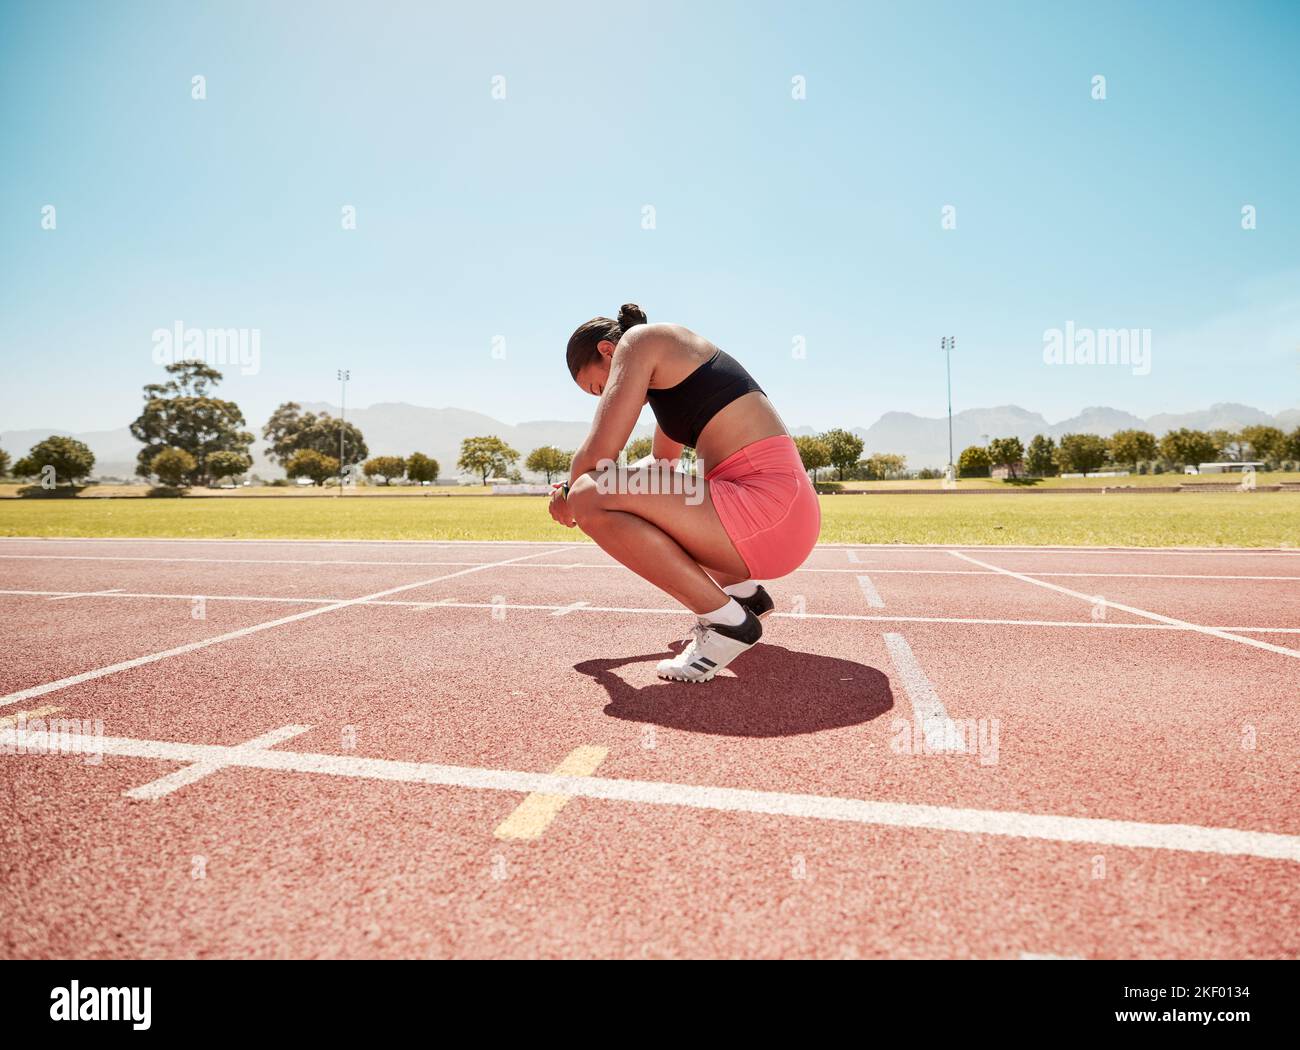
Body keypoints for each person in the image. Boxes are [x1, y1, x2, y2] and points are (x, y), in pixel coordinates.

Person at [551, 303, 821, 682]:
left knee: (587, 493)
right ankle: (744, 597)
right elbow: (661, 467)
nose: (605, 396)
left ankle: (728, 624)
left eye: (599, 387)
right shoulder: (669, 381)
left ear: (607, 351)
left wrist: (567, 494)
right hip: (776, 519)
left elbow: (599, 457)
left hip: (769, 510)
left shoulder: (643, 342)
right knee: (600, 492)